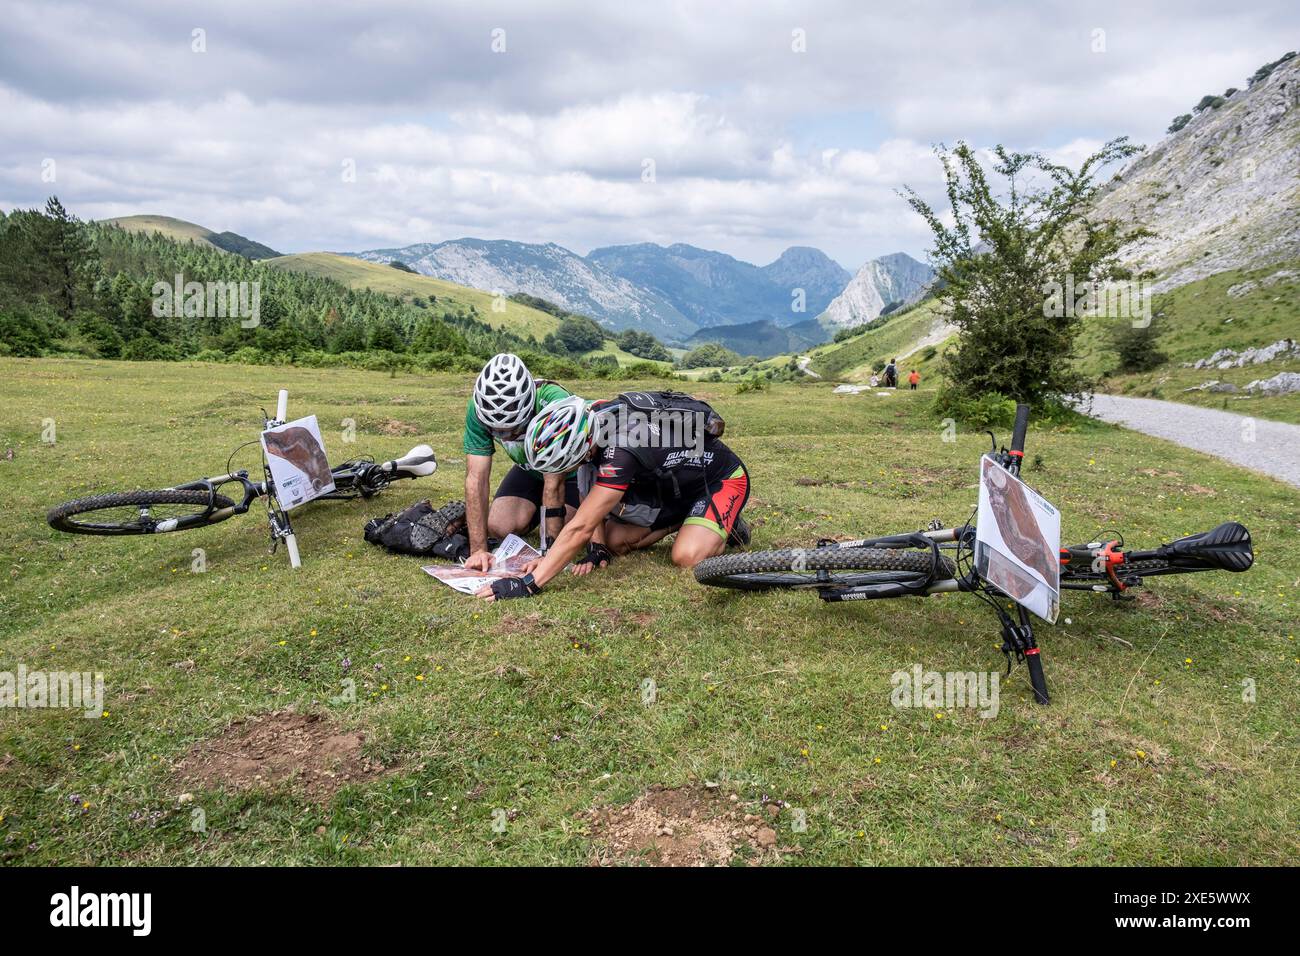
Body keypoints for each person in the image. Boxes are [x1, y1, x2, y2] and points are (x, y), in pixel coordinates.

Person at [476, 393, 752, 600]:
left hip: (719, 479)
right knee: (613, 543)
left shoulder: (621, 451)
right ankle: (688, 519)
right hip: (672, 486)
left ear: (584, 451)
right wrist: (594, 550)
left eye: (565, 466)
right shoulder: (591, 418)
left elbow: (581, 526)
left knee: (686, 557)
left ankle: (725, 526)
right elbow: (588, 492)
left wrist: (529, 583)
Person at [462, 353, 580, 571]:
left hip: (569, 474)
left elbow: (554, 483)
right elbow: (476, 478)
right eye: (497, 431)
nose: (505, 437)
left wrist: (548, 554)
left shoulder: (552, 403)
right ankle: (532, 512)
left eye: (513, 429)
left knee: (569, 534)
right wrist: (478, 550)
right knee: (498, 526)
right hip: (529, 470)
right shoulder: (477, 410)